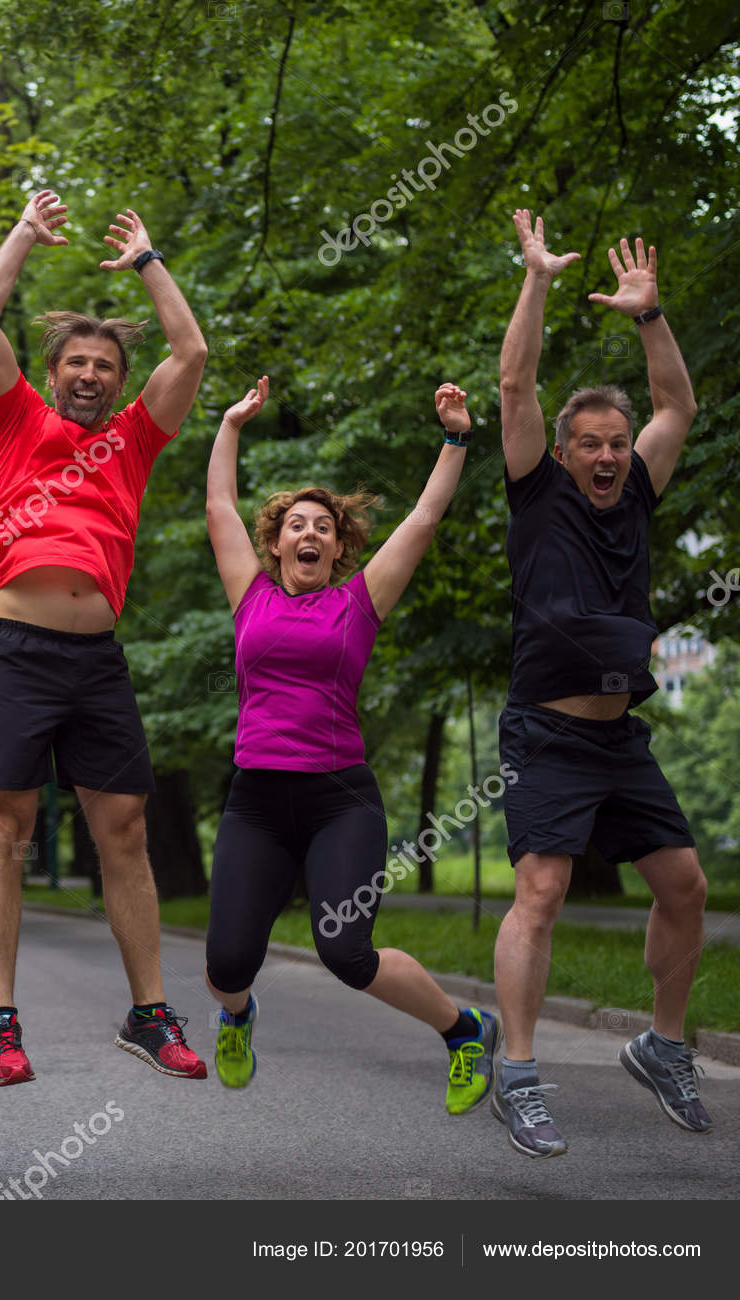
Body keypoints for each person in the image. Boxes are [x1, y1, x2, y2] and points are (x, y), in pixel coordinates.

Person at [0, 191, 209, 1085]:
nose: (93, 375)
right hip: (19, 652)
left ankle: (149, 1014)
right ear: (54, 370)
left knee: (127, 830)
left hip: (95, 659)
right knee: (6, 827)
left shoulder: (139, 438)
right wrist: (24, 232)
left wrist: (148, 261)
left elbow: (191, 351)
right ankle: (2, 1023)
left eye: (106, 364)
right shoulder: (19, 421)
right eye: (78, 361)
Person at [202, 374, 501, 1115]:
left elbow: (425, 519)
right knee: (226, 964)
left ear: (339, 548)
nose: (309, 534)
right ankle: (238, 1017)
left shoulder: (359, 601)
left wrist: (456, 437)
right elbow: (216, 506)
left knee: (346, 953)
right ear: (274, 543)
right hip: (257, 801)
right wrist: (232, 424)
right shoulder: (252, 595)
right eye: (296, 525)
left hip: (339, 800)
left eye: (323, 528)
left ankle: (465, 1031)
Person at [491, 212, 708, 1157]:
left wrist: (650, 316)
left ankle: (663, 1046)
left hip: (622, 738)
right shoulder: (537, 492)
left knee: (686, 886)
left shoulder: (642, 491)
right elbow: (514, 383)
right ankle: (520, 1073)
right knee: (540, 891)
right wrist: (537, 278)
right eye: (593, 443)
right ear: (566, 450)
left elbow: (678, 410)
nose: (611, 455)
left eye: (618, 441)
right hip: (547, 733)